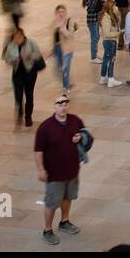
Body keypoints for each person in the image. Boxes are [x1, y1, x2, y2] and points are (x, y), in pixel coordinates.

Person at [34, 94, 85, 245]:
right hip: (54, 173)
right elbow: (38, 151)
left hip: (72, 169)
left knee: (68, 197)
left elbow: (86, 134)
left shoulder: (75, 120)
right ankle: (47, 230)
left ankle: (64, 221)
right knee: (51, 202)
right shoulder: (45, 127)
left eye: (65, 104)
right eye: (59, 104)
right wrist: (41, 169)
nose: (63, 107)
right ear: (54, 106)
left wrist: (81, 137)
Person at [4, 27, 44, 127]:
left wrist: (29, 55)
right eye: (14, 38)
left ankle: (28, 116)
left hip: (30, 73)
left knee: (29, 95)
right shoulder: (11, 45)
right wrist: (13, 60)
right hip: (17, 73)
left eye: (18, 38)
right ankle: (20, 114)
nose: (16, 40)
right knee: (18, 96)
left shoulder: (31, 43)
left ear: (23, 36)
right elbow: (6, 59)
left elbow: (38, 54)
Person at [52, 5, 79, 93]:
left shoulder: (69, 21)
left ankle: (66, 87)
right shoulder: (54, 22)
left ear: (66, 12)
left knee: (65, 68)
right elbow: (53, 38)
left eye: (62, 12)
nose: (61, 14)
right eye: (59, 12)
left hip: (67, 48)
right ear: (56, 13)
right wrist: (52, 50)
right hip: (57, 48)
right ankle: (68, 83)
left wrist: (62, 29)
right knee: (58, 69)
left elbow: (70, 35)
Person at [98, 1, 122, 88]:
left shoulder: (110, 16)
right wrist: (117, 33)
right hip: (110, 41)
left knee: (106, 59)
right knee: (111, 60)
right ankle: (111, 79)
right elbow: (107, 33)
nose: (116, 8)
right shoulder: (105, 18)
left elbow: (115, 26)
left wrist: (118, 17)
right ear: (110, 8)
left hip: (110, 41)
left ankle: (103, 77)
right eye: (115, 6)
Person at [81, 0, 105, 65]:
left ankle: (95, 54)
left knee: (97, 37)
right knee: (94, 38)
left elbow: (103, 5)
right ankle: (93, 57)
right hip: (92, 20)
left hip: (98, 20)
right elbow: (91, 8)